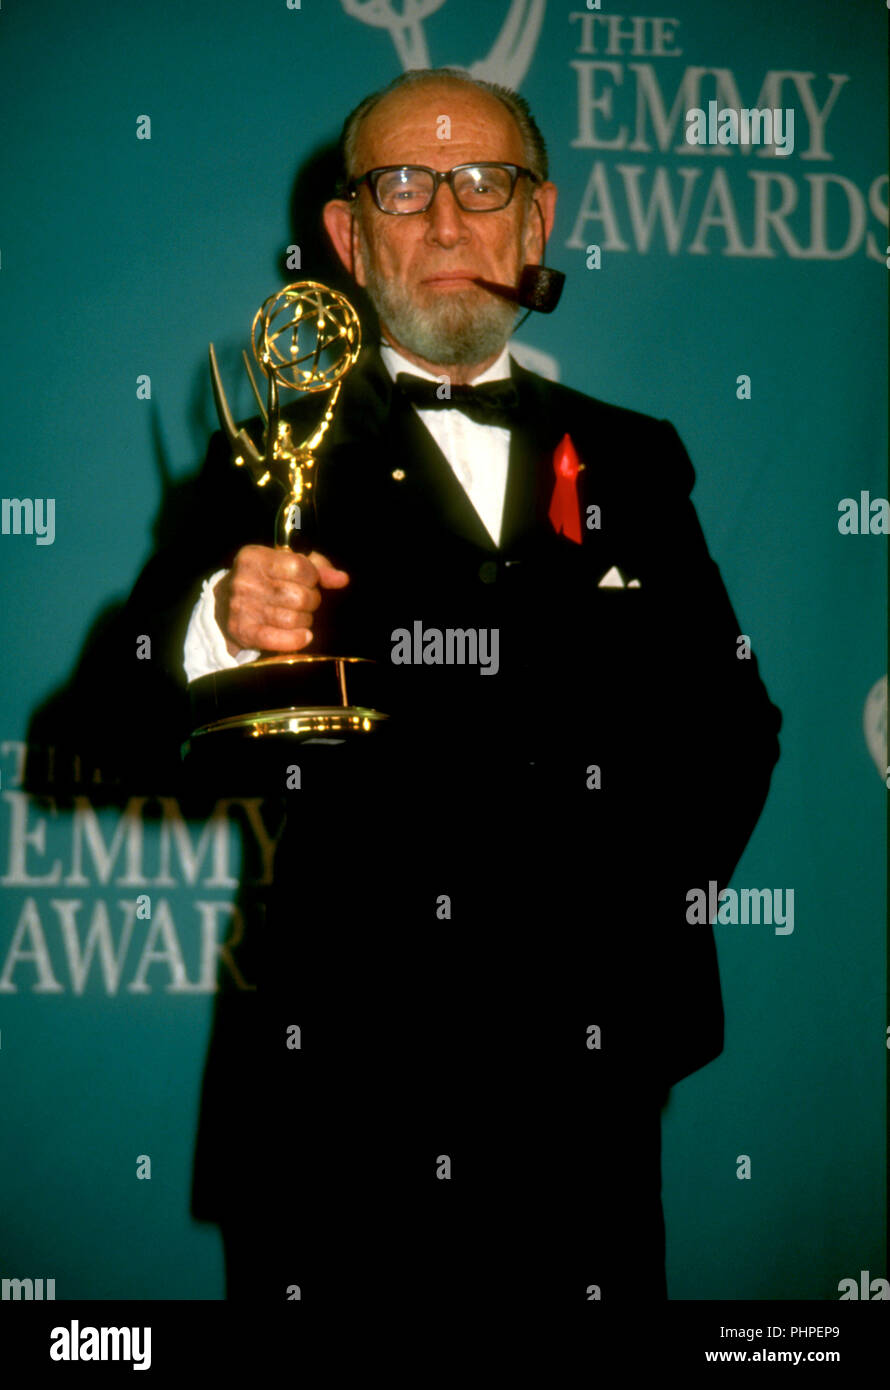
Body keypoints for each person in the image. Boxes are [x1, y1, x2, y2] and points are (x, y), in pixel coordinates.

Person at [119, 67, 782, 1308]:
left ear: (536, 222)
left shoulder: (637, 459)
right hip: (340, 1114)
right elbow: (119, 711)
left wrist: (603, 941)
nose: (443, 220)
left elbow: (733, 731)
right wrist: (218, 623)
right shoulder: (263, 464)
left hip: (587, 1103)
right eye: (403, 186)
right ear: (344, 235)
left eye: (482, 184)